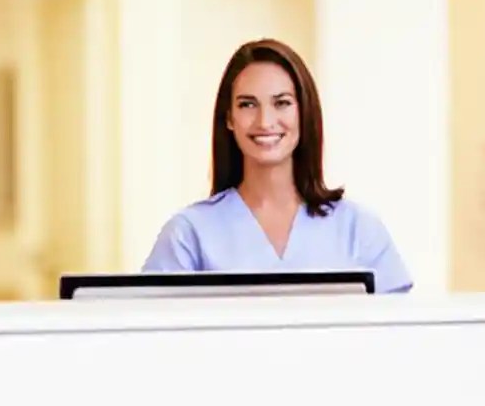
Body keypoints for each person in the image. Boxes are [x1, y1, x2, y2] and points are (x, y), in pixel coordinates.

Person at [142, 38, 412, 293]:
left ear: (303, 112)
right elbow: (152, 333)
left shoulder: (359, 229)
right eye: (248, 104)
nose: (265, 121)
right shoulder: (189, 235)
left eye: (282, 103)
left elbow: (399, 334)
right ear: (229, 119)